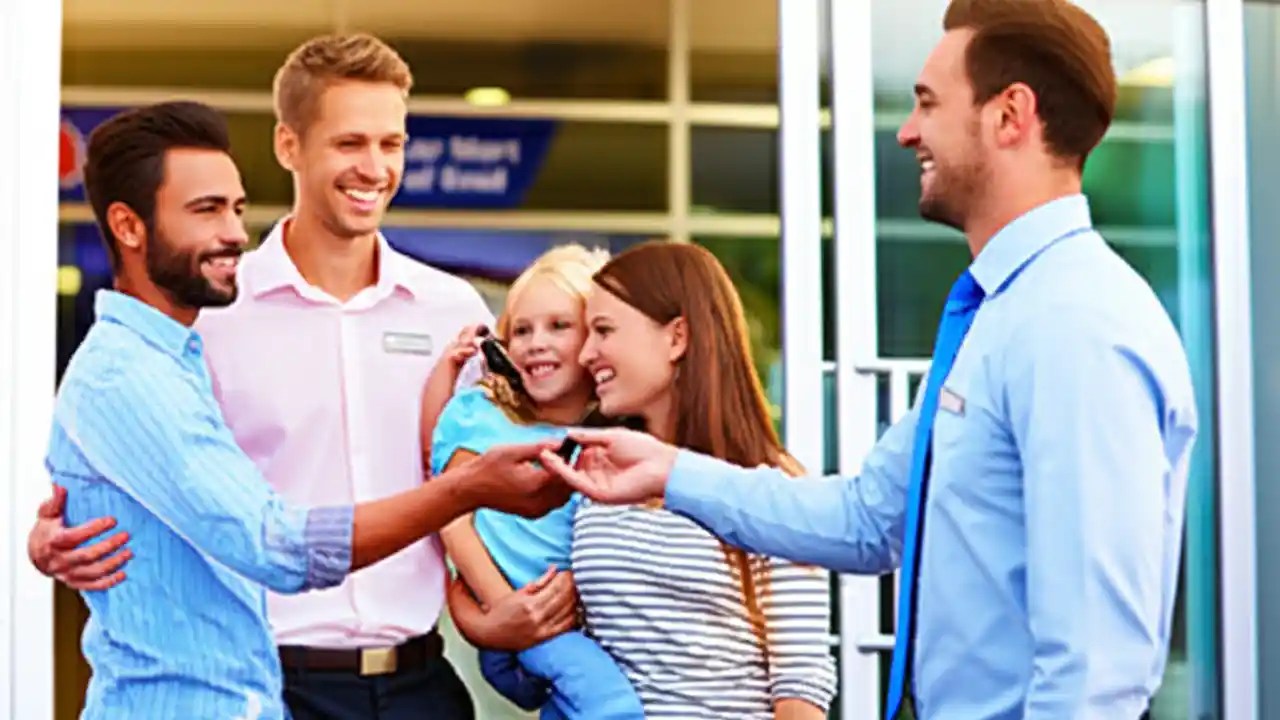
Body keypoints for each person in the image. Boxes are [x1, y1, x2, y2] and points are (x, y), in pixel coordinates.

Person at [538, 2, 1197, 719]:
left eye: (927, 103)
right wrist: (668, 473)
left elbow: (1095, 671)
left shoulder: (1075, 324)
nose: (907, 130)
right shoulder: (1002, 316)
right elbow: (867, 519)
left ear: (1010, 115)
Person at [29, 33, 576, 720]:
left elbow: (482, 503)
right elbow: (171, 491)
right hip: (271, 686)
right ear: (289, 147)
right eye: (350, 143)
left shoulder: (455, 311)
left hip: (422, 682)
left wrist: (485, 619)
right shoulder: (208, 313)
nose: (375, 167)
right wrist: (52, 539)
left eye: (392, 144)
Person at [472, 241, 837, 719]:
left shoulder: (773, 490)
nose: (586, 354)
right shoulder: (589, 470)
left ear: (677, 337)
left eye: (603, 330)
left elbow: (800, 686)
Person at [423, 244, 643, 719]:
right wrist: (507, 611)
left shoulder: (610, 439)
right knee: (613, 706)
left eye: (558, 326)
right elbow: (447, 509)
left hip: (575, 629)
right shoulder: (484, 418)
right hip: (526, 624)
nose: (535, 342)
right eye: (521, 330)